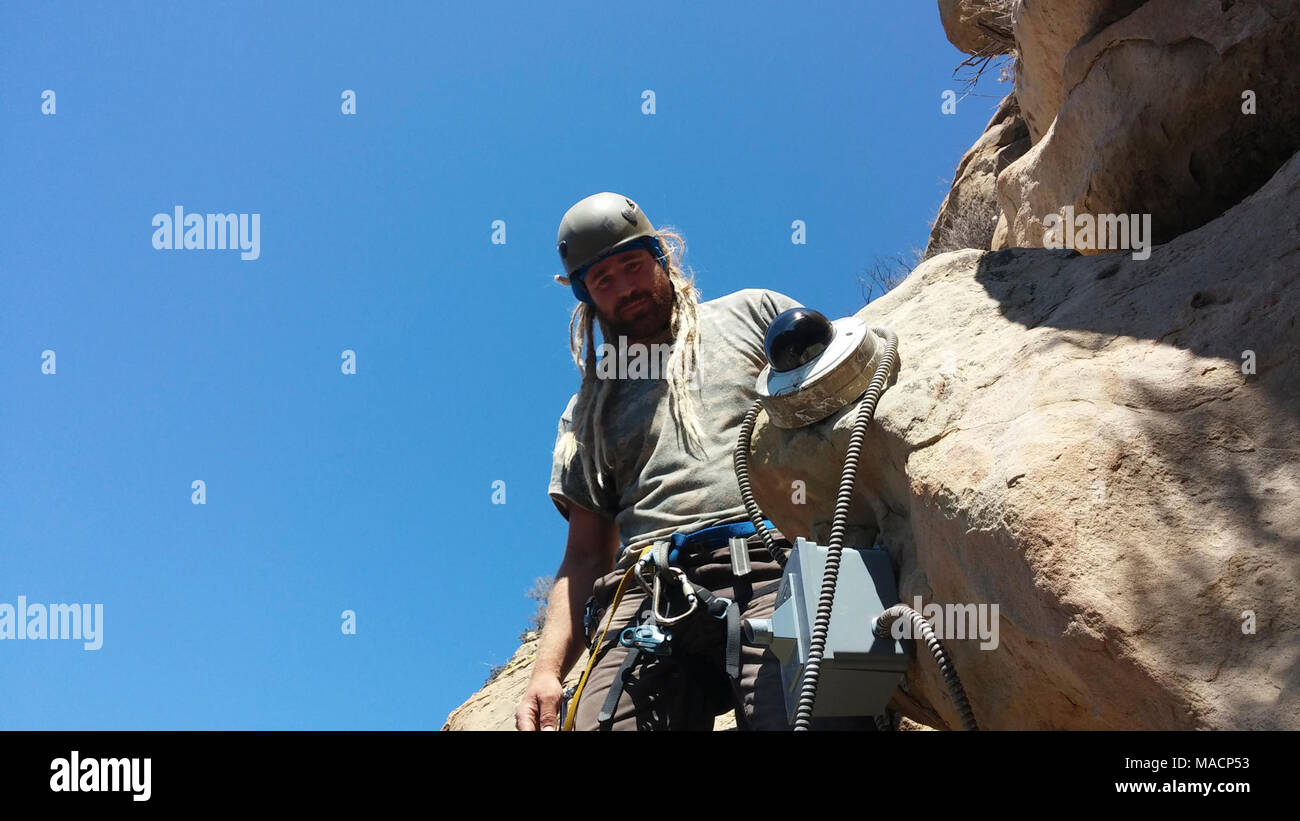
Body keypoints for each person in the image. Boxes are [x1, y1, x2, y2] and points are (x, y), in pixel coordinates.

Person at [515, 192, 802, 731]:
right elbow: (583, 556)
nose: (625, 288)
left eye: (632, 265)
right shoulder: (587, 412)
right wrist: (546, 672)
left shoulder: (752, 316)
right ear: (586, 299)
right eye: (603, 280)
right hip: (649, 587)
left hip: (772, 558)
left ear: (661, 255)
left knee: (811, 714)